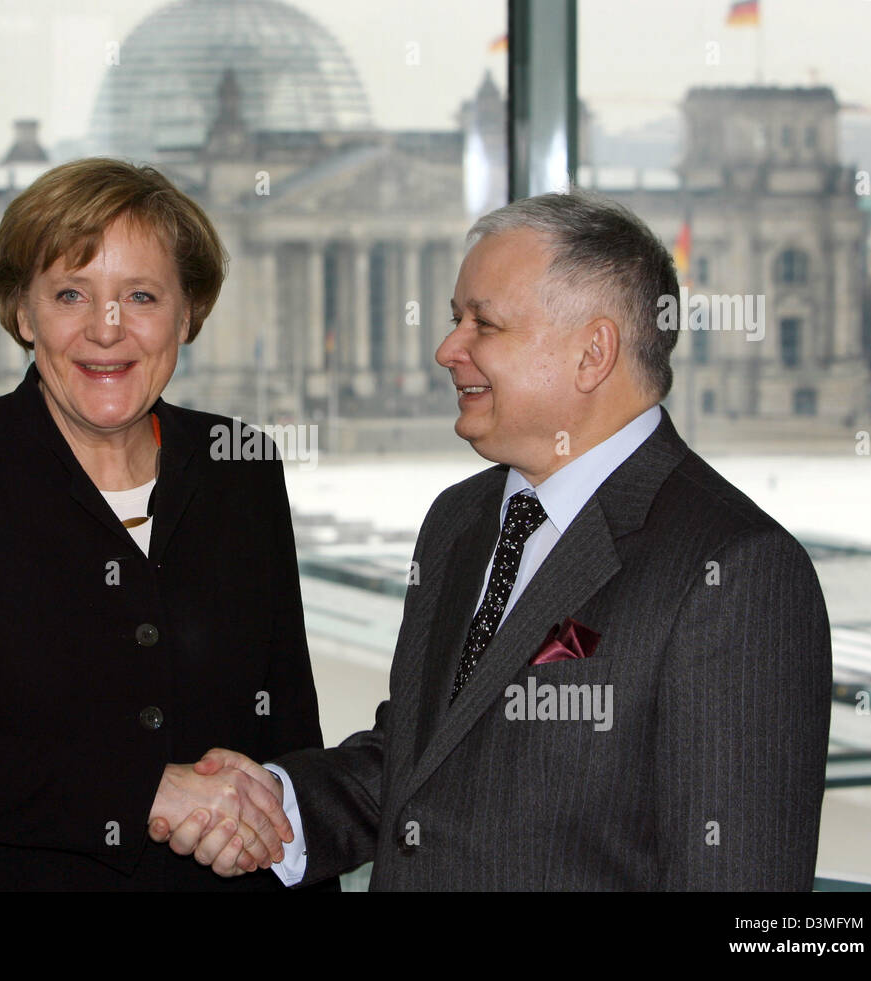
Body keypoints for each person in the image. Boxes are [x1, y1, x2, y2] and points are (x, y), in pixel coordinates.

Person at [152, 189, 833, 890]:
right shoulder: (460, 521)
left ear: (592, 352)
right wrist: (270, 800)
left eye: (485, 324)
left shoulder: (737, 571)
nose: (449, 349)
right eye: (455, 319)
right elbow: (421, 766)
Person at [0, 157, 328, 890]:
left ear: (188, 314)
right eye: (71, 293)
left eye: (141, 295)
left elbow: (287, 731)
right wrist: (144, 790)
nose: (107, 330)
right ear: (22, 313)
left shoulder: (242, 465)